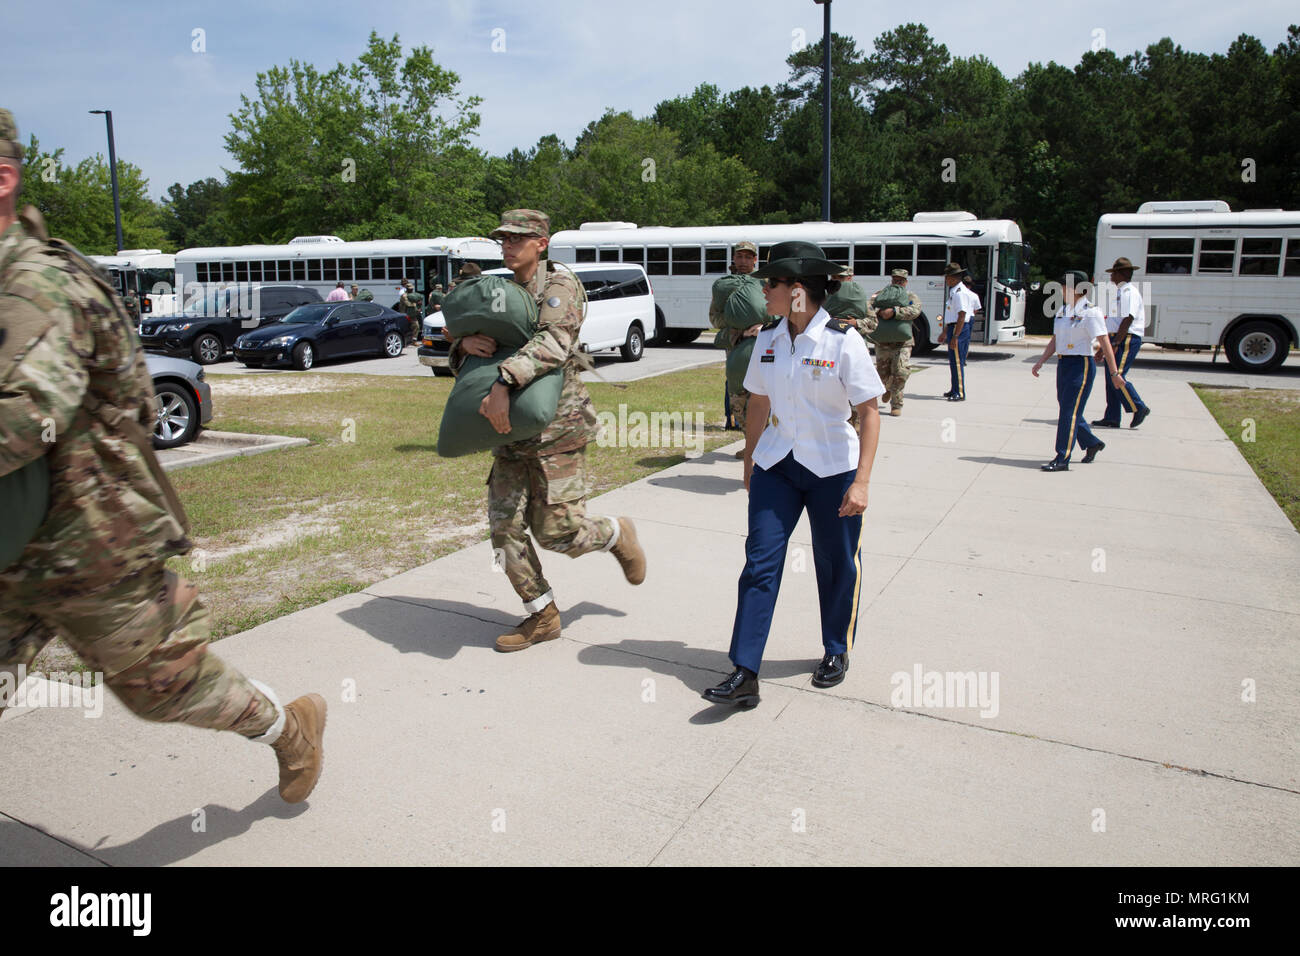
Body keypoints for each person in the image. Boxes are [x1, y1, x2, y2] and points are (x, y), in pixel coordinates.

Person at [0, 108, 325, 803]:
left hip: (86, 545)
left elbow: (29, 418)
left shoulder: (36, 287)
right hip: (8, 548)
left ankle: (286, 727)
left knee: (164, 688)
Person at [449, 209, 646, 652]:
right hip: (509, 430)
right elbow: (469, 337)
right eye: (502, 239)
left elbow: (555, 342)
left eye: (517, 238)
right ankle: (542, 614)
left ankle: (615, 533)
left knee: (558, 532)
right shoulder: (499, 290)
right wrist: (462, 344)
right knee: (503, 530)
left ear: (541, 242)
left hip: (558, 427)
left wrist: (502, 381)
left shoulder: (560, 285)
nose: (507, 245)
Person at [703, 241, 884, 708]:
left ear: (797, 291)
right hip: (777, 467)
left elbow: (868, 412)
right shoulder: (767, 337)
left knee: (837, 563)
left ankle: (836, 650)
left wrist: (861, 481)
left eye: (772, 283)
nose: (763, 289)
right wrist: (749, 458)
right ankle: (745, 672)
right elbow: (759, 400)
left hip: (832, 470)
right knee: (759, 562)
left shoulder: (844, 341)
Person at [1031, 270, 1125, 471]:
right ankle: (1091, 443)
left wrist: (1114, 373)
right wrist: (1041, 361)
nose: (1062, 290)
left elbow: (1104, 342)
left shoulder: (1091, 312)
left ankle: (1062, 457)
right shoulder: (1062, 311)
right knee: (1068, 409)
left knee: (1068, 412)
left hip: (1081, 365)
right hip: (1064, 364)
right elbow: (1056, 340)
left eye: (1066, 286)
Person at [710, 241, 760, 451]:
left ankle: (763, 444)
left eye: (748, 257)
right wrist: (739, 327)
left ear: (755, 260)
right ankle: (750, 442)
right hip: (737, 347)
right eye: (739, 257)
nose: (743, 261)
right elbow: (715, 319)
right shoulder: (725, 286)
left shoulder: (764, 284)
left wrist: (763, 326)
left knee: (765, 395)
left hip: (764, 347)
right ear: (733, 259)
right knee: (738, 397)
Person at [1092, 257, 1151, 430]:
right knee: (1111, 378)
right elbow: (1114, 321)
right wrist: (1105, 347)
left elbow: (1128, 319)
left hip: (1127, 338)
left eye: (1114, 273)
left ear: (1122, 274)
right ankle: (1112, 417)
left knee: (1116, 375)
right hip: (1116, 337)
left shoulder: (1129, 292)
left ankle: (1139, 406)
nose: (1111, 277)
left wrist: (1117, 342)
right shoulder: (1120, 292)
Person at [865, 268, 921, 417]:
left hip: (903, 342)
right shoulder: (881, 294)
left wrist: (895, 312)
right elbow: (868, 307)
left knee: (901, 371)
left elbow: (916, 310)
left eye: (901, 280)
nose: (898, 282)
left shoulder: (910, 296)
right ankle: (888, 387)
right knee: (882, 375)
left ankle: (896, 404)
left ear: (906, 282)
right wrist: (880, 312)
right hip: (883, 341)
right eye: (895, 279)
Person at [938, 262, 978, 401]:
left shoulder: (960, 293)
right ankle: (954, 388)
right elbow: (951, 316)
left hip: (958, 328)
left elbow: (961, 316)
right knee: (953, 362)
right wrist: (944, 333)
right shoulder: (954, 291)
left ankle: (959, 393)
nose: (946, 279)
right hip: (953, 327)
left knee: (957, 362)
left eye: (947, 277)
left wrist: (955, 336)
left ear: (954, 278)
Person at [398, 279, 423, 345]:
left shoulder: (412, 295)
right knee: (405, 327)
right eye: (410, 289)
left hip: (412, 314)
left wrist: (419, 304)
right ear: (407, 289)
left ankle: (414, 341)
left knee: (416, 326)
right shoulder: (404, 296)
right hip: (405, 314)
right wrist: (416, 303)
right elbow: (408, 304)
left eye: (412, 289)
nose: (411, 290)